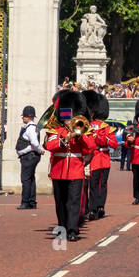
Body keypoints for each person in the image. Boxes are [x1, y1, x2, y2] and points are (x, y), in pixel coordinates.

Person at [45, 89, 96, 242]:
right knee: (60, 202)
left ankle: (73, 230)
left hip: (75, 170)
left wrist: (79, 137)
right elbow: (50, 145)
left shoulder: (84, 130)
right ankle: (62, 228)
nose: (68, 119)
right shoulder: (55, 130)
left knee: (74, 201)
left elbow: (90, 146)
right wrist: (65, 139)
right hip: (59, 170)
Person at [84, 91, 115, 222]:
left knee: (101, 184)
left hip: (103, 158)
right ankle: (93, 208)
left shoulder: (106, 128)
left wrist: (102, 137)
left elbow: (113, 143)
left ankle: (100, 206)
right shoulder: (88, 126)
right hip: (95, 157)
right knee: (95, 184)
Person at [15, 104, 43, 209]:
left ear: (28, 117)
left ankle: (25, 201)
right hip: (31, 156)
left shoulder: (30, 128)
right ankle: (32, 201)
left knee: (26, 179)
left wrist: (40, 150)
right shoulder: (33, 127)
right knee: (31, 179)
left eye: (24, 116)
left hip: (29, 157)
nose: (23, 118)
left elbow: (34, 144)